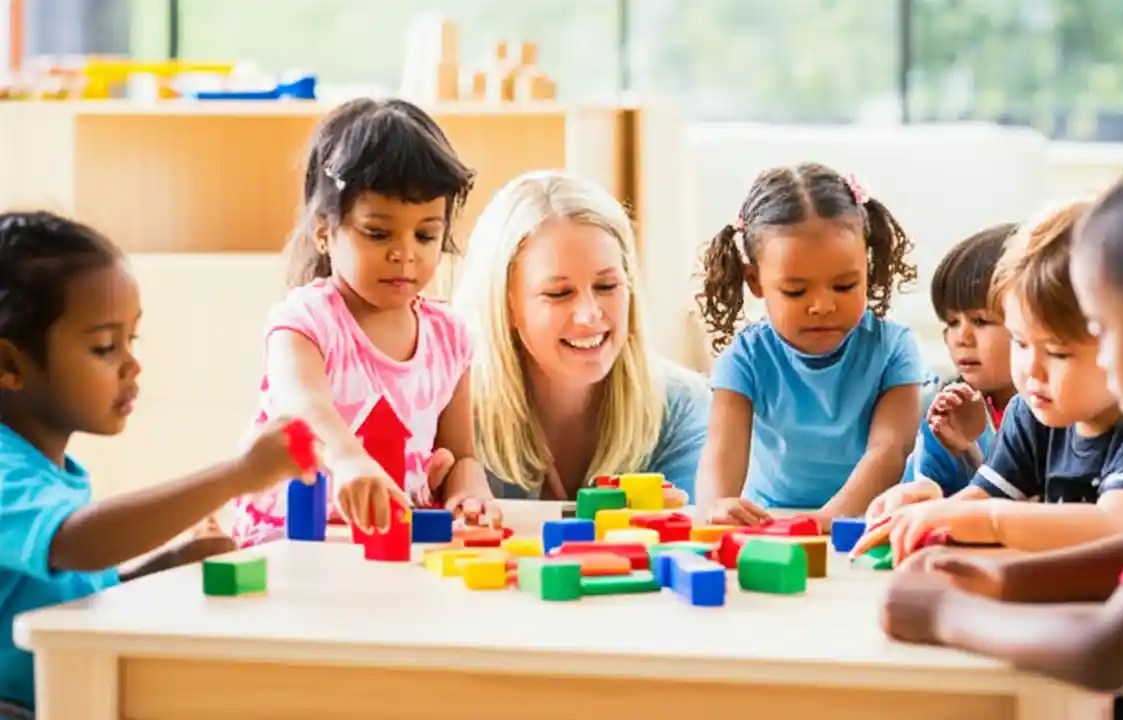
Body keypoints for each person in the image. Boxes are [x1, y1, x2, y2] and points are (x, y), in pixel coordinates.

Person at [880, 143, 1123, 720]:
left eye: (1104, 332)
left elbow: (1110, 652)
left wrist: (947, 615)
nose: (1108, 362)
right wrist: (1002, 581)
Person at [0, 211, 317, 717]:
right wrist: (240, 473)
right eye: (104, 346)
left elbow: (71, 591)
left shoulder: (46, 469)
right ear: (10, 366)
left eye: (133, 340)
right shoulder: (5, 470)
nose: (132, 364)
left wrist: (165, 565)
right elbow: (73, 543)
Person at [228, 98, 497, 547]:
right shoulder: (305, 322)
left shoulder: (449, 337)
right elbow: (304, 409)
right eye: (378, 232)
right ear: (323, 230)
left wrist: (468, 490)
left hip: (391, 542)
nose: (405, 253)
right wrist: (350, 458)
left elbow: (462, 453)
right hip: (293, 542)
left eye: (426, 234)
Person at [854, 201, 1123, 565]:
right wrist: (931, 509)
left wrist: (982, 520)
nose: (1031, 369)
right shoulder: (1031, 411)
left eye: (1058, 352)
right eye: (1019, 341)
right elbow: (985, 501)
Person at [452, 170, 708, 502]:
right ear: (505, 305)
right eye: (558, 293)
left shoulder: (684, 408)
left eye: (607, 286)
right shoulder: (453, 416)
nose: (589, 315)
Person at [694, 162, 926, 527]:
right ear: (755, 282)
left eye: (845, 285)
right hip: (771, 518)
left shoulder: (894, 349)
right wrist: (717, 506)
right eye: (796, 291)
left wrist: (826, 519)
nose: (823, 305)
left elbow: (889, 450)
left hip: (868, 518)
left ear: (867, 268)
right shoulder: (746, 357)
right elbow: (722, 449)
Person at [904, 223, 1017, 496]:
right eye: (952, 322)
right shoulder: (947, 410)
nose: (961, 337)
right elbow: (919, 485)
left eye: (980, 320)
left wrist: (972, 452)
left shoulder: (1052, 416)